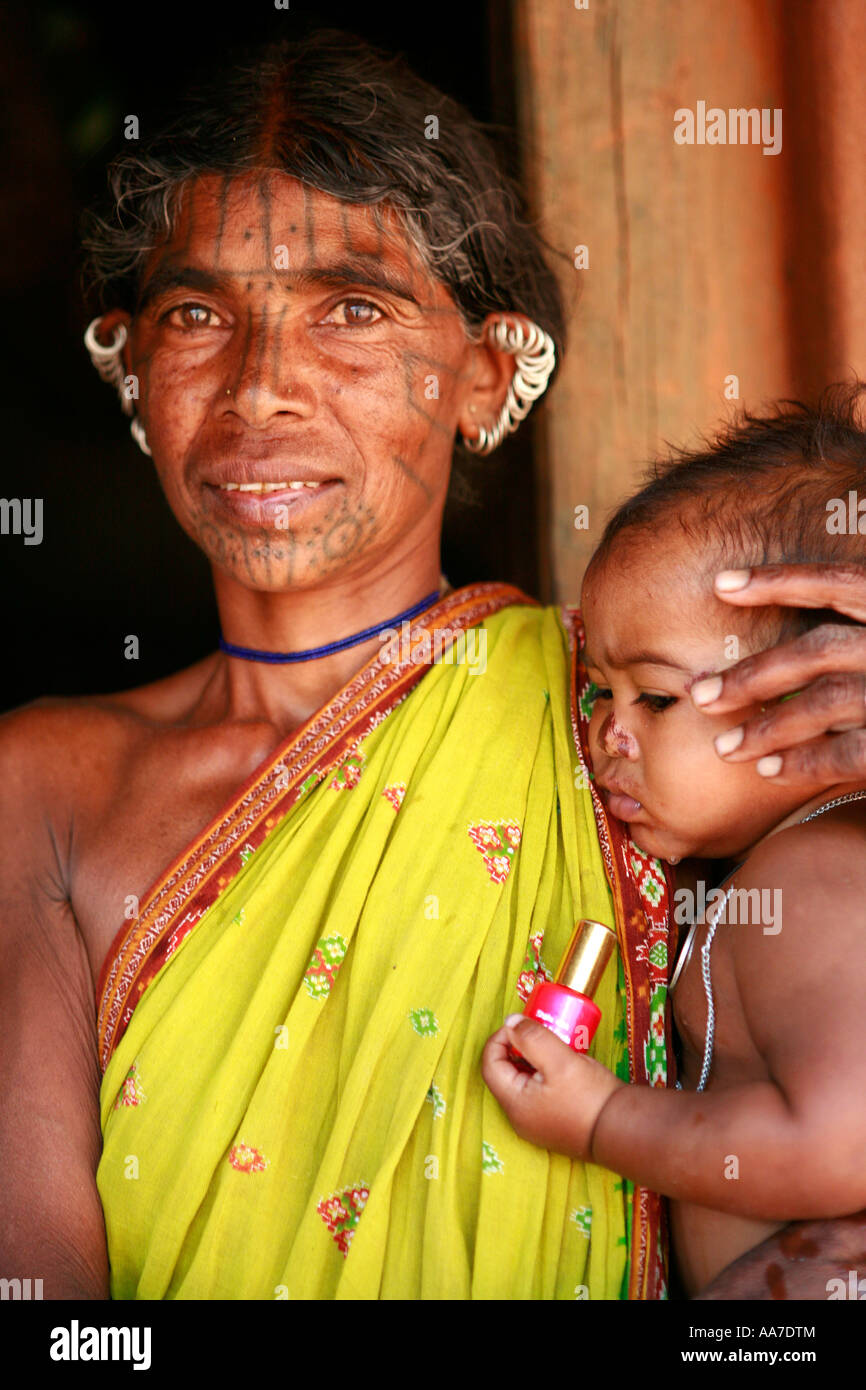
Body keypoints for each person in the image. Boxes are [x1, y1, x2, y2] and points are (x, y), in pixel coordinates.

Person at [2, 29, 866, 1301]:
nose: (262, 387)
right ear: (130, 369)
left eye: (353, 309)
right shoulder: (43, 784)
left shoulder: (647, 711)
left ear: (485, 374)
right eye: (197, 313)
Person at [482, 388, 866, 1297]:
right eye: (599, 696)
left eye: (653, 698)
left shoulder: (813, 880)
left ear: (817, 692)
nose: (611, 734)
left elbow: (844, 1141)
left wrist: (603, 1120)